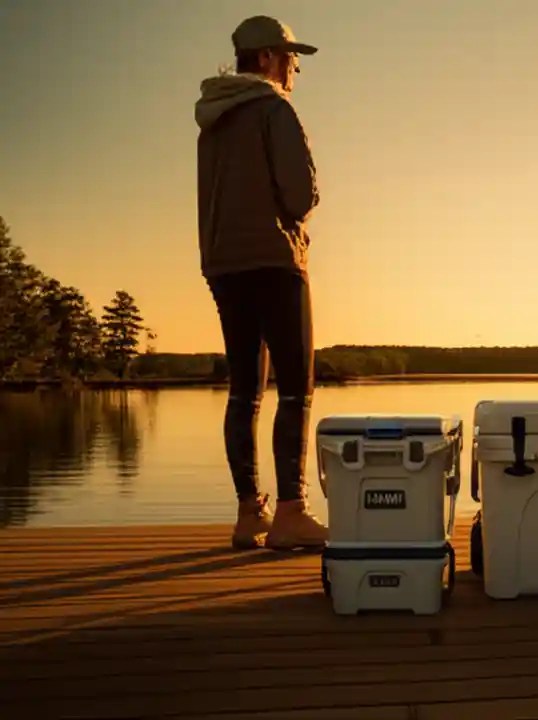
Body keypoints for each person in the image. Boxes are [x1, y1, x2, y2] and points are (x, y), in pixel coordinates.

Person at [194, 16, 327, 550]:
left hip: (224, 264)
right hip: (275, 258)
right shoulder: (275, 109)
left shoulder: (213, 120)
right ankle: (292, 512)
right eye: (291, 57)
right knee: (296, 388)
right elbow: (300, 195)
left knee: (244, 391)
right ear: (269, 59)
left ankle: (250, 513)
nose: (296, 67)